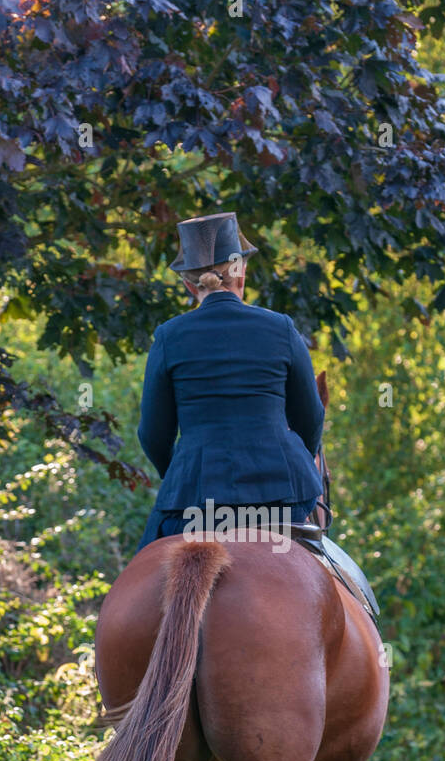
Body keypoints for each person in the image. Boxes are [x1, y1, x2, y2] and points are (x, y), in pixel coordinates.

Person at [136, 212, 326, 549]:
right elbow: (310, 419)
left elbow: (152, 434)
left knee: (139, 580)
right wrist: (295, 469)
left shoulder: (169, 337)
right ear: (241, 272)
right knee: (333, 577)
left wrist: (183, 475)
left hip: (196, 504)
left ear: (188, 283)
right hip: (280, 499)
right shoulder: (280, 328)